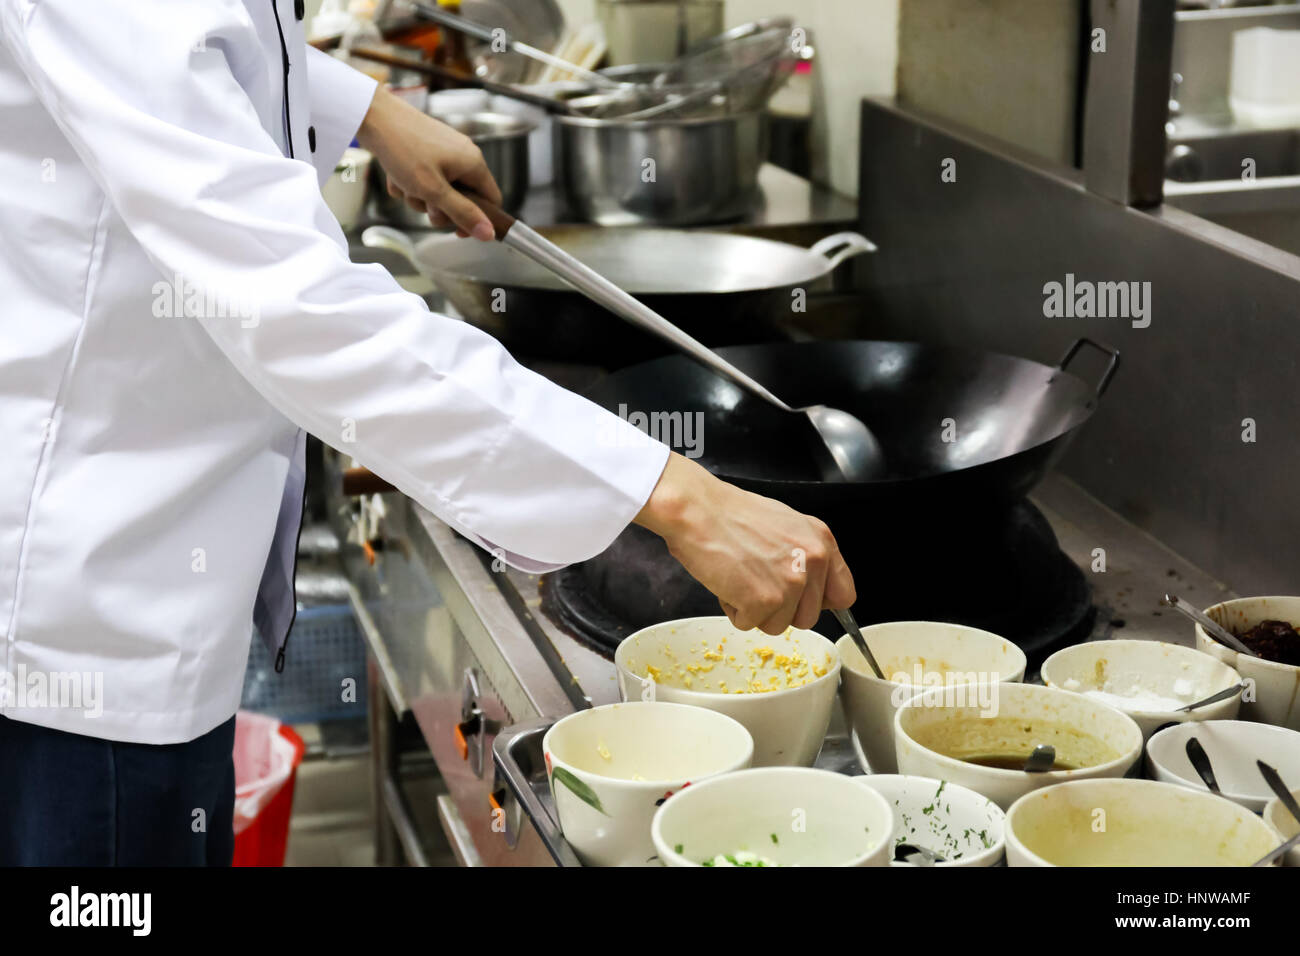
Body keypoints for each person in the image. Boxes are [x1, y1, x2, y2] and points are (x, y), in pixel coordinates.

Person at [0, 0, 854, 865]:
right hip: (86, 627)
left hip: (135, 553)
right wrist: (681, 497)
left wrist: (362, 108)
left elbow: (210, 48)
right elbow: (299, 311)